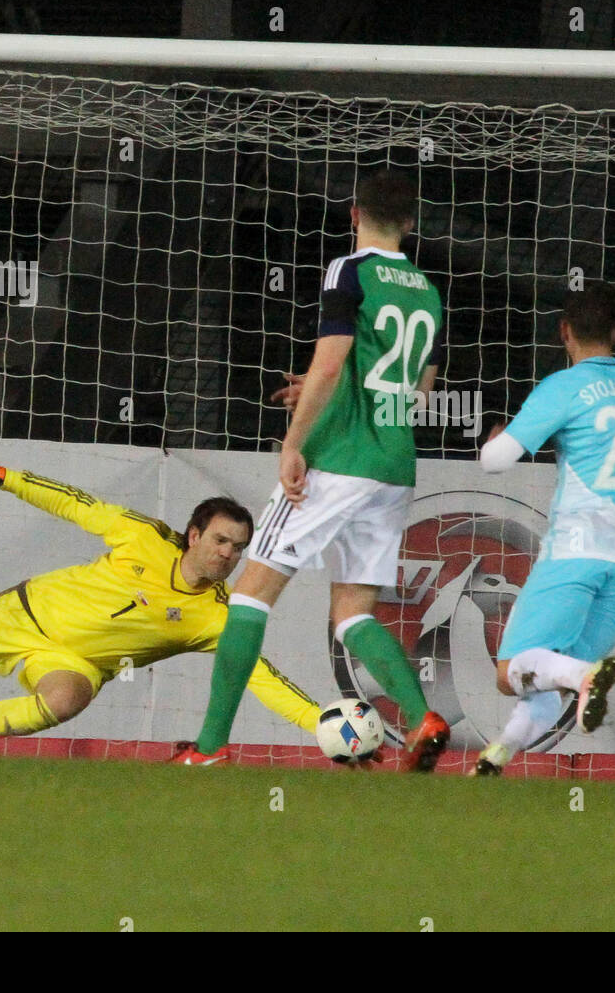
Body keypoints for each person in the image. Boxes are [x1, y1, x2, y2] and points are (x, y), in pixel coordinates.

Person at [0, 429, 320, 752]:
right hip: (22, 614)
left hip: (73, 662)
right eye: (221, 540)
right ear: (194, 535)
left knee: (66, 701)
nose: (228, 555)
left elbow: (260, 676)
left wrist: (322, 722)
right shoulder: (145, 538)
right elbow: (74, 502)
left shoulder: (219, 616)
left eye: (239, 548)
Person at [181, 168, 451, 771]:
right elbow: (420, 387)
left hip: (338, 458)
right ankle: (423, 717)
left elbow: (330, 365)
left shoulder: (347, 270)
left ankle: (208, 750)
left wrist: (293, 442)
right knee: (353, 613)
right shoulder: (428, 290)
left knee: (249, 599)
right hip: (394, 464)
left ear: (354, 214)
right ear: (410, 223)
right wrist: (345, 391)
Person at [471, 279, 615, 775]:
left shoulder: (564, 386)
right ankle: (497, 755)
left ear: (563, 331)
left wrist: (496, 438)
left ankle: (587, 676)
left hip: (578, 550)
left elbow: (496, 463)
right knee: (550, 671)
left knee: (512, 671)